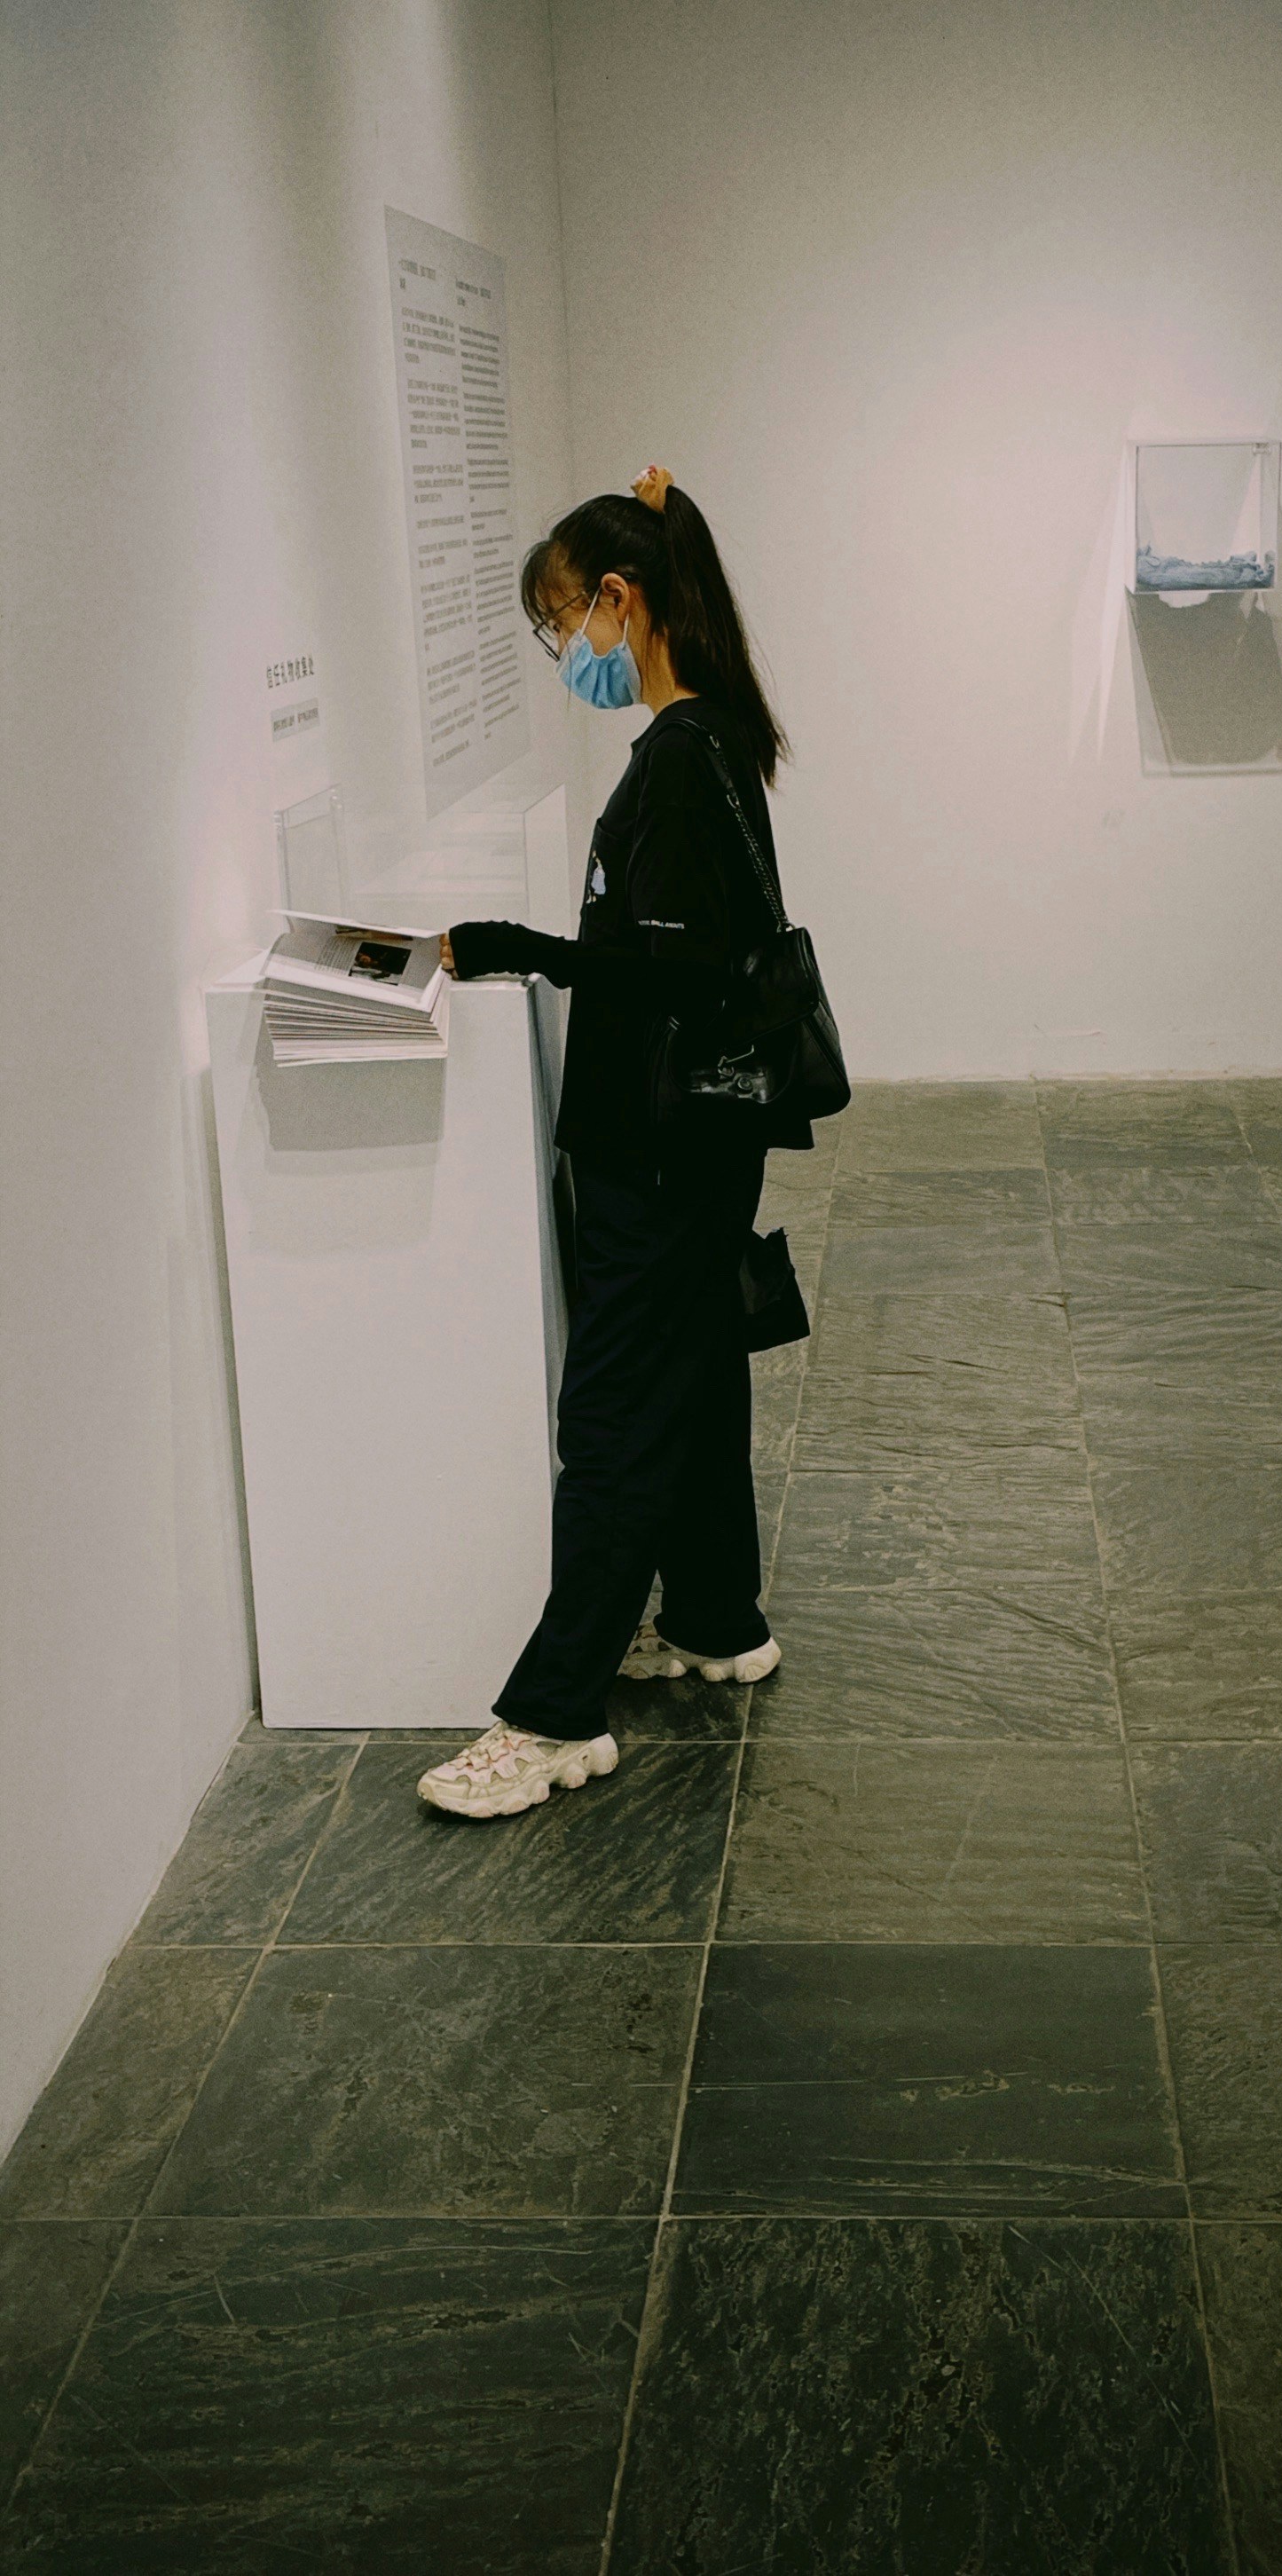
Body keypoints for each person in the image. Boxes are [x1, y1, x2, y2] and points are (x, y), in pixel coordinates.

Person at [416, 466, 813, 1822]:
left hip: (661, 1148)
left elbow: (679, 973)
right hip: (700, 1140)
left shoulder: (677, 764)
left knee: (613, 1422)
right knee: (695, 1376)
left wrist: (526, 950)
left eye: (562, 622)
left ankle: (552, 1714)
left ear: (620, 600)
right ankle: (714, 1619)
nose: (564, 652)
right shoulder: (710, 743)